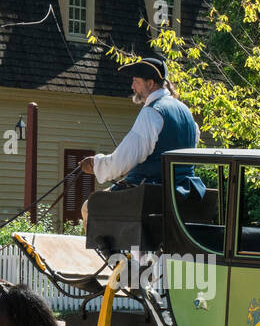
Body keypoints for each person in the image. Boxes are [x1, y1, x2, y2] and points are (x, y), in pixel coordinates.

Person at [79, 57, 205, 220]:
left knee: (89, 207)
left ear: (150, 84)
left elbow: (123, 160)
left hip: (153, 195)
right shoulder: (185, 112)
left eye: (136, 81)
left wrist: (96, 164)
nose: (132, 87)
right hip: (186, 193)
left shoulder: (152, 112)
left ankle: (110, 247)